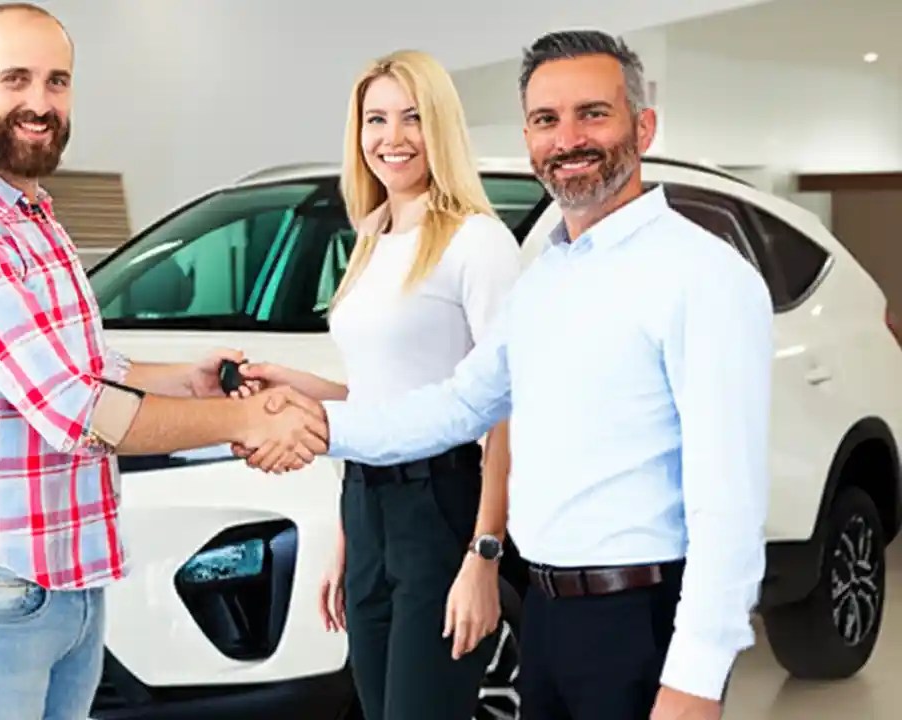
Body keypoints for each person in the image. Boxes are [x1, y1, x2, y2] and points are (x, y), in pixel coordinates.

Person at [244, 30, 773, 720]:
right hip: (551, 619)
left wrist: (698, 677)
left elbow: (728, 504)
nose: (568, 139)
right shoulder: (547, 276)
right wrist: (319, 427)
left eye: (593, 113)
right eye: (546, 120)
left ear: (643, 126)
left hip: (640, 619)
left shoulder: (702, 276)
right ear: (529, 137)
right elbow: (461, 403)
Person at [0, 4, 326, 718]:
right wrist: (245, 417)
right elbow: (77, 410)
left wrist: (182, 380)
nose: (40, 103)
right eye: (16, 79)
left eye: (57, 82)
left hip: (71, 574)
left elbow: (89, 365)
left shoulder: (38, 222)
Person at [232, 49, 521, 720]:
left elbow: (508, 406)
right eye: (376, 119)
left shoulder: (477, 243)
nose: (392, 138)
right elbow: (376, 398)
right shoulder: (371, 236)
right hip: (366, 509)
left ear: (441, 127)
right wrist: (345, 539)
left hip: (442, 509)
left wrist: (484, 558)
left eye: (412, 118)